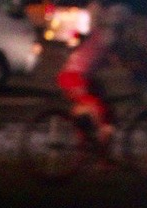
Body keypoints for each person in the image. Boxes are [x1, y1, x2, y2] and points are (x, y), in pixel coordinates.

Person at [56, 1, 140, 145]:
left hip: (81, 77)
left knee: (106, 108)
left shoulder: (98, 35)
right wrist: (136, 68)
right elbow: (118, 60)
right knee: (99, 112)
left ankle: (89, 142)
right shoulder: (106, 40)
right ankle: (98, 149)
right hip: (74, 78)